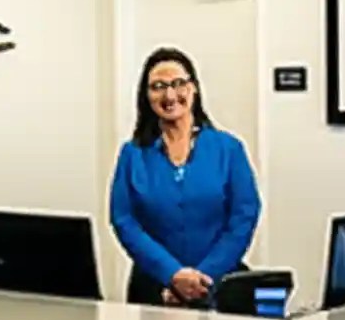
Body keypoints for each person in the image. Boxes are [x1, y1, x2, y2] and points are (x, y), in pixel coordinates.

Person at [108, 47, 262, 306]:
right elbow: (123, 220)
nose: (170, 95)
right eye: (158, 86)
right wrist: (172, 274)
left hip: (219, 284)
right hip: (153, 288)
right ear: (146, 96)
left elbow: (244, 215)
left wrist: (203, 277)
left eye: (178, 83)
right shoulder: (132, 154)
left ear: (194, 88)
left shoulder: (228, 148)